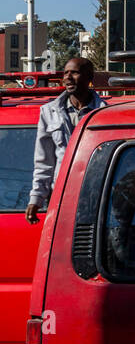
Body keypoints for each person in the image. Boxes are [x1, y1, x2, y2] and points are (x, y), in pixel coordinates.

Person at [27, 57, 105, 223]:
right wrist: (36, 199)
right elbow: (44, 162)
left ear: (89, 77)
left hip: (95, 197)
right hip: (61, 197)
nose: (68, 77)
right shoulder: (49, 112)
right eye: (65, 73)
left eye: (74, 73)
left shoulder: (104, 113)